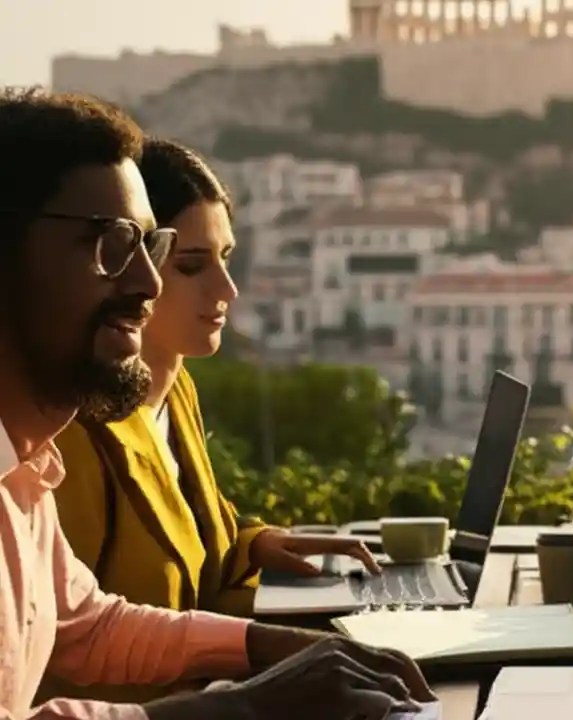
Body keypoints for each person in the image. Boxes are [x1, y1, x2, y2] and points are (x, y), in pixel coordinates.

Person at [0, 87, 431, 719]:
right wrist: (248, 708)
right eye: (112, 244)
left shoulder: (25, 472)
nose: (147, 283)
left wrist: (286, 650)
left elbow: (87, 625)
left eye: (153, 248)